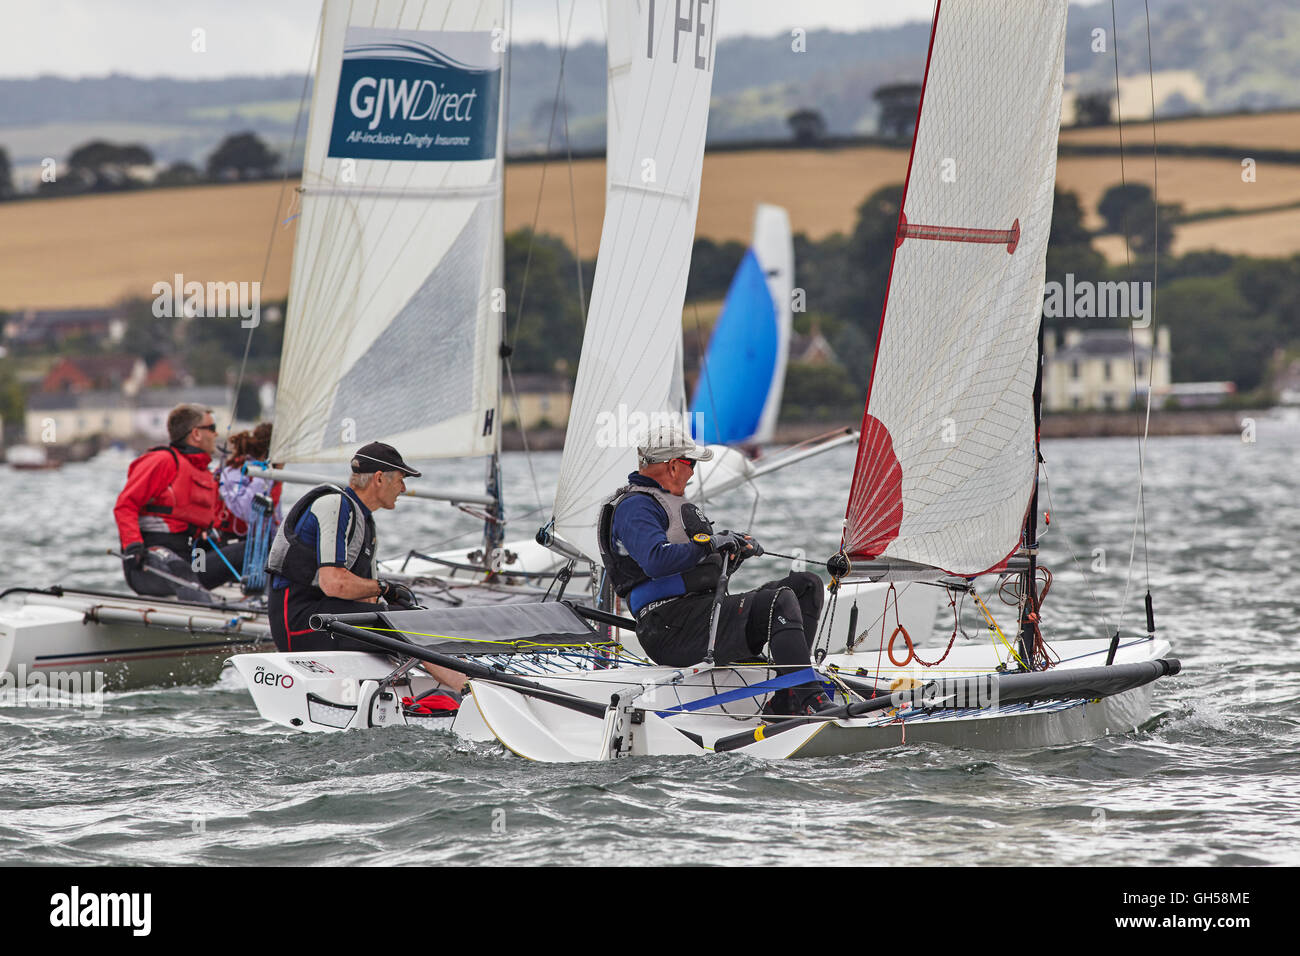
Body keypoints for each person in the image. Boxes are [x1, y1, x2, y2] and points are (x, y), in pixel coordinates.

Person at [596, 424, 830, 717]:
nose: (693, 472)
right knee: (778, 601)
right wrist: (710, 546)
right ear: (672, 466)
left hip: (700, 615)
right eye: (690, 463)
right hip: (669, 627)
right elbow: (656, 560)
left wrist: (733, 552)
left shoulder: (665, 502)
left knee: (806, 585)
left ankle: (788, 697)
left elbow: (696, 567)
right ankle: (810, 700)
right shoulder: (636, 508)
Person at [264, 441, 466, 691]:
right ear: (379, 478)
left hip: (327, 617)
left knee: (417, 617)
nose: (403, 488)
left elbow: (370, 600)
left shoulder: (365, 522)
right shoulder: (334, 504)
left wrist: (394, 600)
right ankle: (471, 689)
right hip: (301, 624)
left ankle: (462, 682)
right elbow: (333, 583)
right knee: (405, 624)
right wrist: (384, 588)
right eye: (401, 479)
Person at [114, 403, 245, 598]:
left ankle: (265, 607)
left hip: (193, 560)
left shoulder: (206, 475)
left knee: (252, 550)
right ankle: (206, 619)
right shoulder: (162, 461)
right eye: (212, 428)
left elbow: (218, 521)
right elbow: (125, 505)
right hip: (149, 565)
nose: (216, 434)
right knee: (185, 576)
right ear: (196, 434)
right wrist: (133, 546)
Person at [216, 422, 282, 540]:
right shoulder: (236, 472)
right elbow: (247, 512)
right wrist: (262, 477)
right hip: (231, 540)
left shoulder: (272, 479)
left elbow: (276, 518)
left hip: (258, 542)